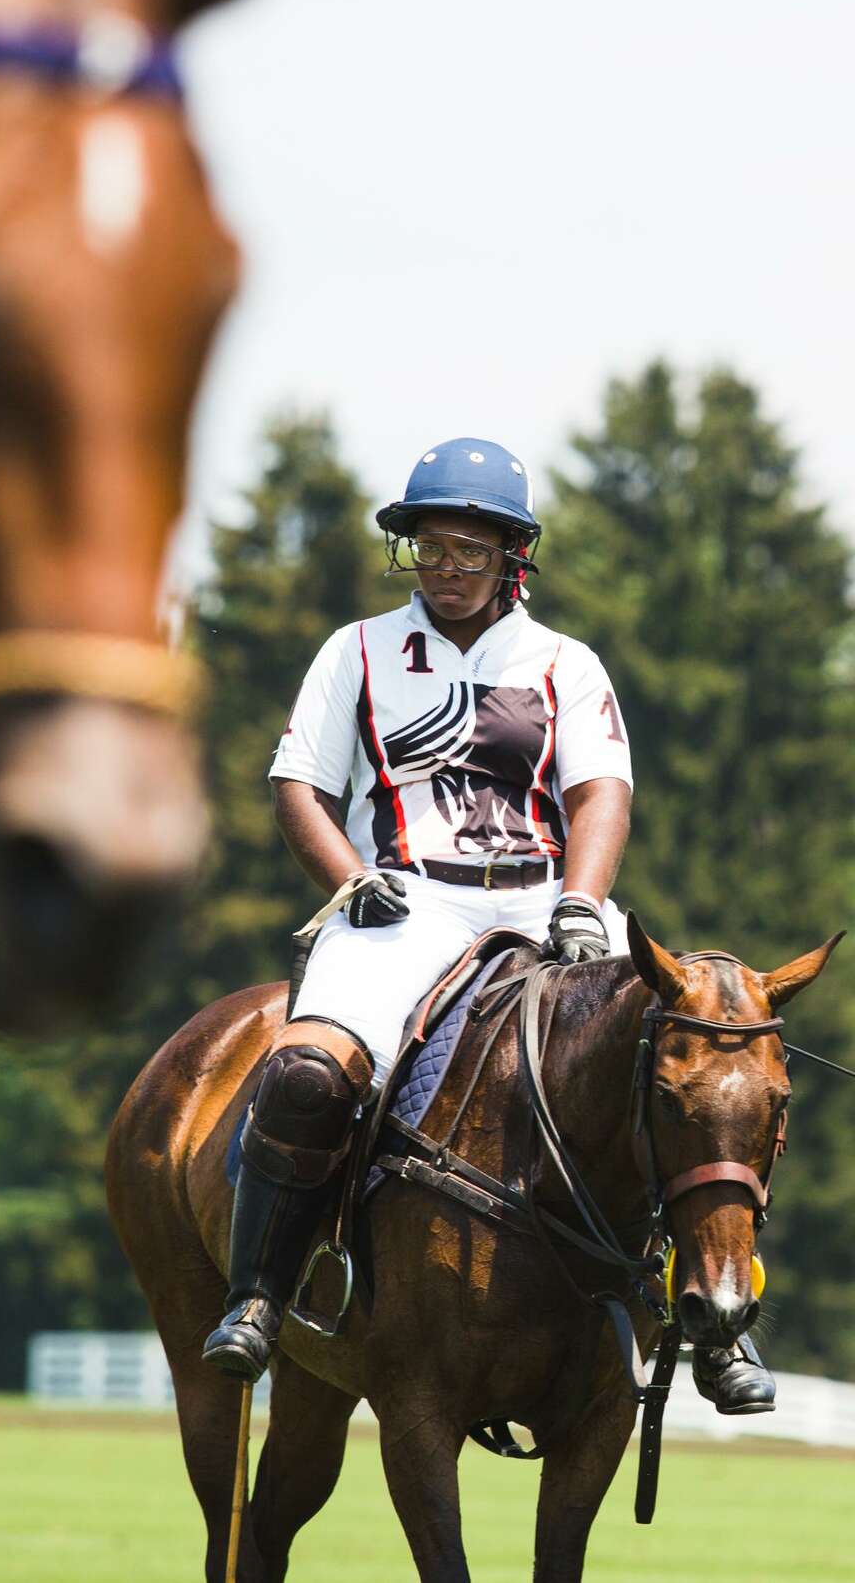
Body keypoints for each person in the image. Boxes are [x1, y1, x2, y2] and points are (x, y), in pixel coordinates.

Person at [202, 436, 774, 1417]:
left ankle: (718, 1324)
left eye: (468, 550)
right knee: (304, 1072)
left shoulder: (566, 663)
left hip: (545, 901)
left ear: (515, 556)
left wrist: (583, 903)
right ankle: (258, 1295)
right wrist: (348, 878)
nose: (446, 567)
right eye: (430, 547)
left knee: (695, 1065)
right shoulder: (358, 650)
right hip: (401, 902)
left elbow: (601, 792)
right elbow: (299, 785)